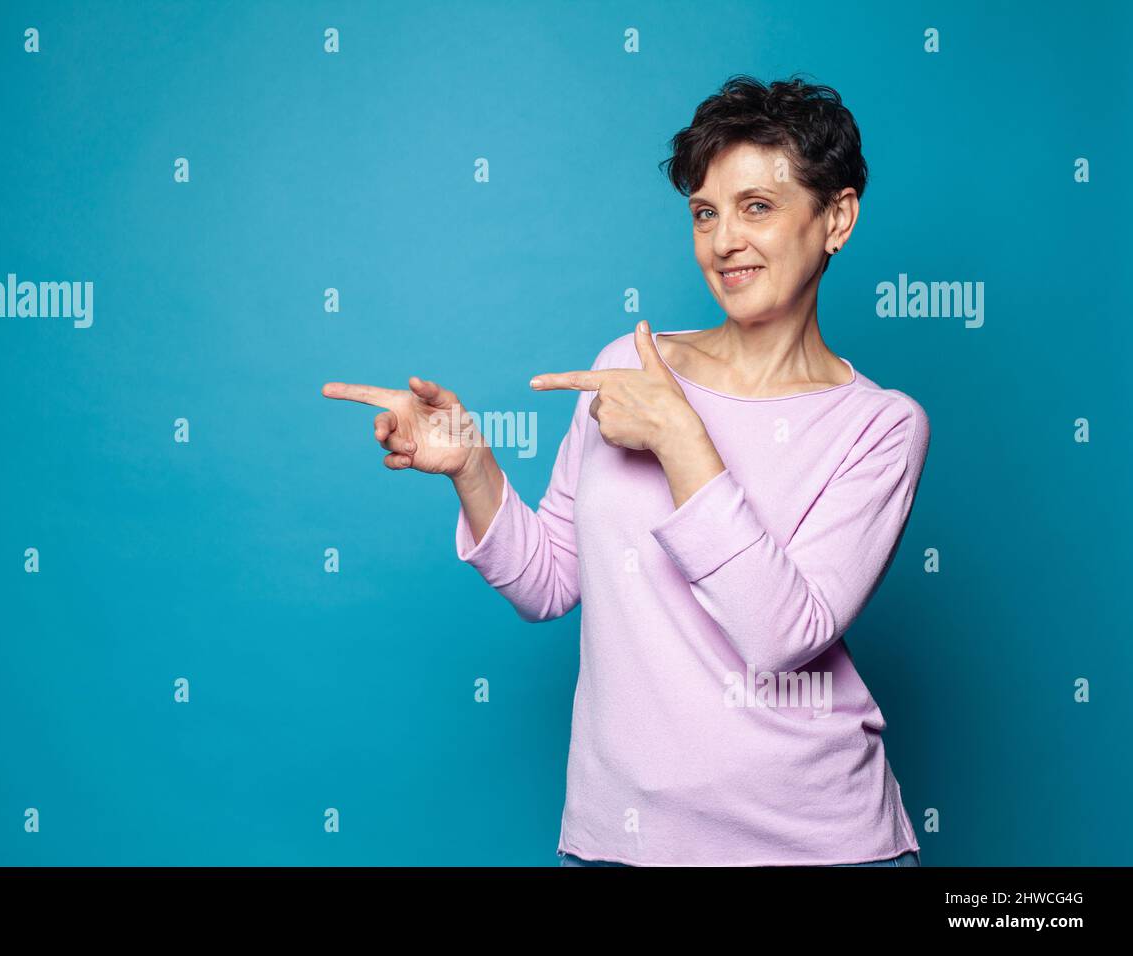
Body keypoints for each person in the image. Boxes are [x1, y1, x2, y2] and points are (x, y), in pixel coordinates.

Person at [322, 74, 930, 867]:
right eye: (705, 213)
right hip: (620, 839)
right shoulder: (628, 369)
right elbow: (550, 585)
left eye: (758, 207)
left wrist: (683, 442)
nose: (723, 241)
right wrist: (472, 467)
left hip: (816, 846)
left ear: (836, 218)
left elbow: (783, 638)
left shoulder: (879, 428)